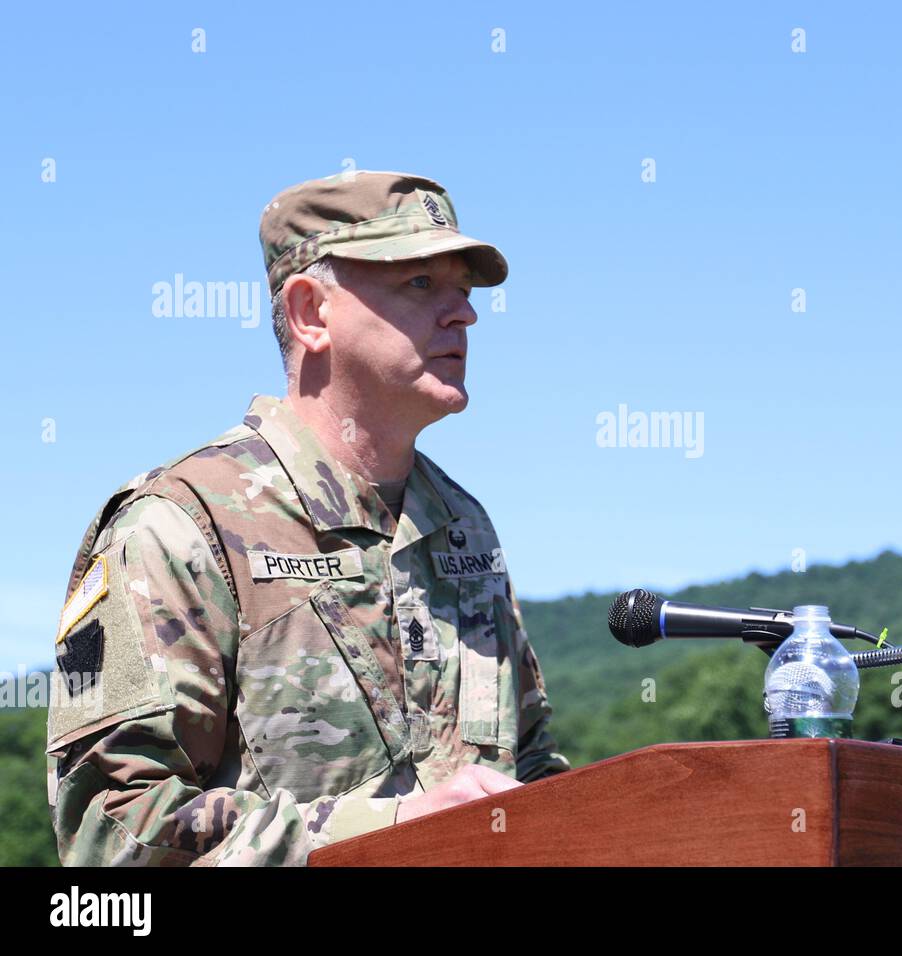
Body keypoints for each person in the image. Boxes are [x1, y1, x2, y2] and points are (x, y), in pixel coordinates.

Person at [45, 170, 568, 866]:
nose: (464, 315)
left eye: (464, 292)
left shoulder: (464, 528)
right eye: (419, 284)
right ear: (309, 313)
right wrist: (394, 830)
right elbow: (111, 831)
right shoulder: (176, 526)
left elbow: (530, 767)